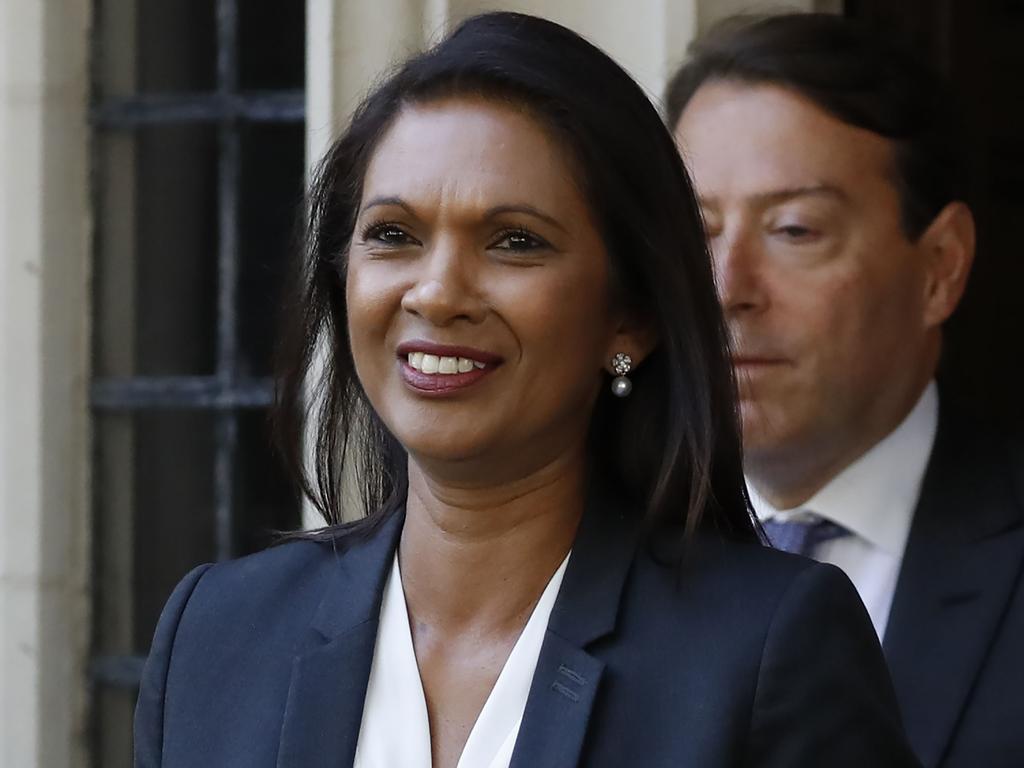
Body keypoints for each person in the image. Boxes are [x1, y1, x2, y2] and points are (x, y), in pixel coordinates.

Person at [134, 12, 919, 768]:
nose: (438, 293)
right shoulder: (219, 634)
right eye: (393, 235)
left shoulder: (765, 650)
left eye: (515, 242)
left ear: (630, 318)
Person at [667, 13, 1024, 768]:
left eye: (794, 230)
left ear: (940, 268)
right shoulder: (597, 540)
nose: (728, 289)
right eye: (697, 233)